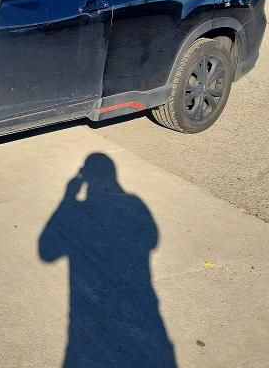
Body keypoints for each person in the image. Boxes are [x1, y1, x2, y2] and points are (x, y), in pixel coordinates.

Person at [39, 153, 177, 368]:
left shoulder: (78, 209)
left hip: (87, 320)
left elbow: (46, 252)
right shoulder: (135, 204)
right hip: (143, 309)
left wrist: (68, 197)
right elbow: (152, 240)